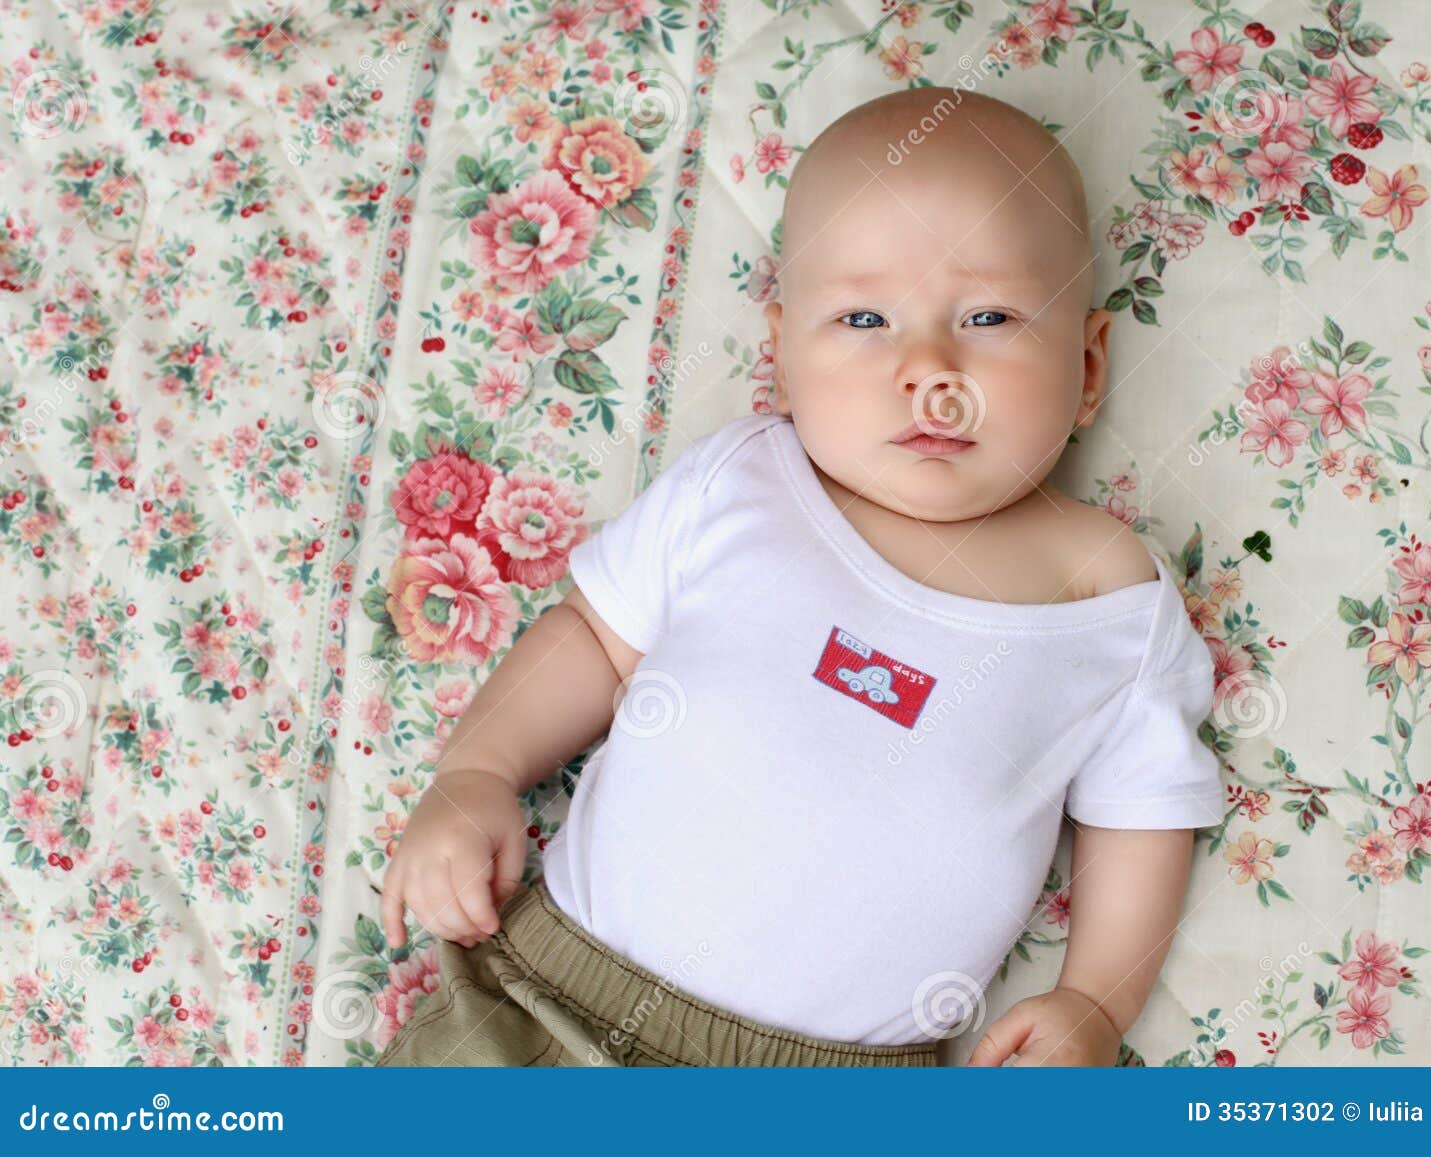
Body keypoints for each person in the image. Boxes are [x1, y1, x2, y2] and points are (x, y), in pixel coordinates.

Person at [375, 86, 1226, 1067]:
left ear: (1087, 366)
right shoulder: (741, 485)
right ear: (780, 350)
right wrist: (475, 771)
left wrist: (1092, 1000)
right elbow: (591, 636)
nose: (926, 364)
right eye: (864, 316)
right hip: (554, 998)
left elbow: (1144, 813)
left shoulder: (1107, 596)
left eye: (989, 315)